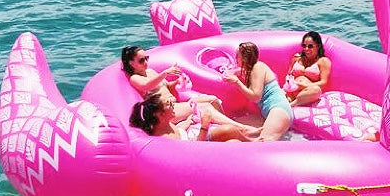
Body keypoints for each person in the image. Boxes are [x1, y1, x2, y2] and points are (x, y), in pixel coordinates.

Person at [121, 45, 259, 136]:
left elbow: (166, 87)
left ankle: (227, 125)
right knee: (205, 107)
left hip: (174, 105)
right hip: (165, 110)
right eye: (141, 60)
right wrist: (165, 73)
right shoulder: (135, 78)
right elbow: (147, 86)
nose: (145, 62)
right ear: (131, 63)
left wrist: (175, 83)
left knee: (212, 98)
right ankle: (242, 129)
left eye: (146, 58)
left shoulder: (150, 71)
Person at [223, 42, 292, 141]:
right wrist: (231, 72)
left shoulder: (258, 67)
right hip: (267, 113)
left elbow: (256, 97)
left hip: (278, 110)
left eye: (237, 56)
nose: (235, 58)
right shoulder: (250, 69)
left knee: (263, 141)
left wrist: (237, 82)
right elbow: (237, 71)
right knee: (233, 126)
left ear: (245, 58)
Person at [129, 91, 254, 142]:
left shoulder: (166, 124)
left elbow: (179, 130)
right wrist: (204, 126)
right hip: (199, 141)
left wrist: (188, 122)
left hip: (194, 134)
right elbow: (195, 150)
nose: (173, 105)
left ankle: (248, 135)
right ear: (160, 115)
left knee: (234, 139)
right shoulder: (167, 139)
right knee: (229, 131)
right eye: (169, 104)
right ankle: (256, 143)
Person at [282, 31, 332, 107]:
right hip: (292, 90)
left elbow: (323, 83)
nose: (306, 49)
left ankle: (292, 104)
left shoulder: (323, 61)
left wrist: (304, 85)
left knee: (316, 90)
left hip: (307, 92)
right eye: (304, 45)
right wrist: (289, 84)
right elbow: (289, 74)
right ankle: (288, 100)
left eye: (310, 46)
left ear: (318, 46)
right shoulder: (297, 58)